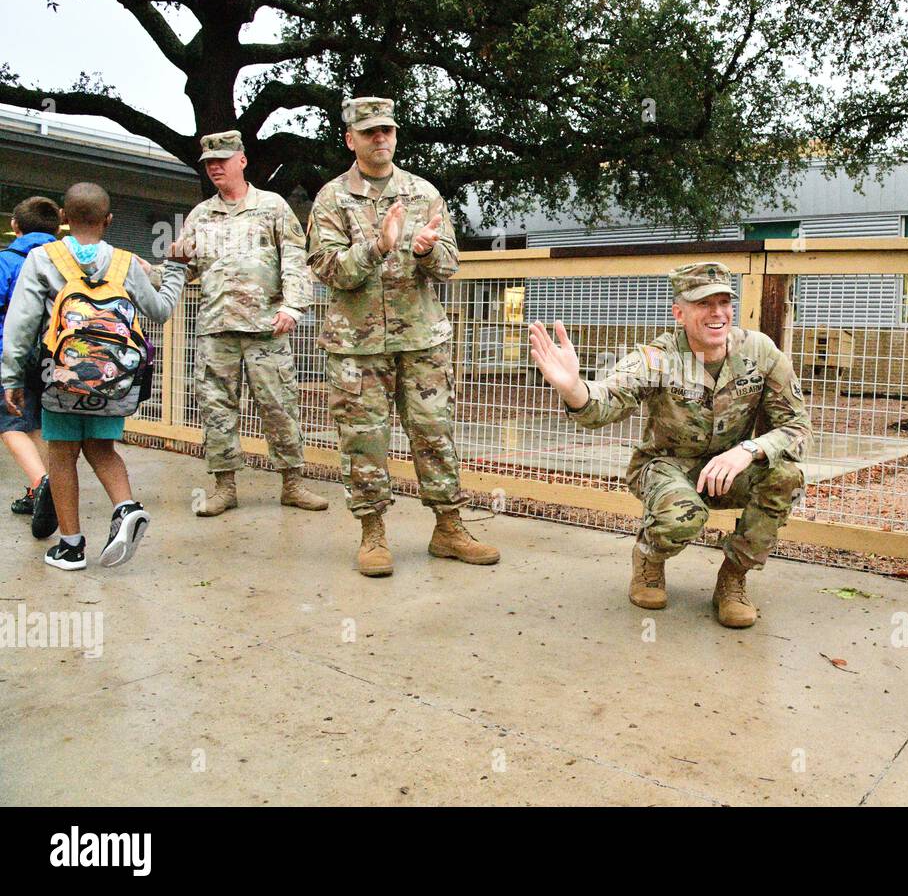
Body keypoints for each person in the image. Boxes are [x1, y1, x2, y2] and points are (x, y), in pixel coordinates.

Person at [528, 262, 809, 628]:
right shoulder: (658, 358)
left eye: (724, 302)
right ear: (679, 313)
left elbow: (797, 426)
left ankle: (733, 578)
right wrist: (573, 389)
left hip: (730, 470)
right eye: (703, 303)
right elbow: (607, 401)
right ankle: (650, 557)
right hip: (666, 468)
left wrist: (747, 450)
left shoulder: (760, 352)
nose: (717, 313)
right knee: (683, 518)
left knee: (786, 476)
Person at [306, 97, 498, 577]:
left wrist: (425, 252)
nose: (380, 138)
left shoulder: (424, 193)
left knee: (435, 433)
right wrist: (378, 246)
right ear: (350, 139)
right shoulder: (332, 198)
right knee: (363, 439)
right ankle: (373, 532)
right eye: (369, 132)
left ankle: (449, 527)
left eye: (387, 130)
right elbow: (330, 270)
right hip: (357, 346)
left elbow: (450, 265)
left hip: (421, 340)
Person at [1, 183, 186, 570]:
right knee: (102, 449)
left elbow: (20, 324)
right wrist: (178, 271)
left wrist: (11, 378)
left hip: (60, 378)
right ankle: (126, 506)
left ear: (64, 219)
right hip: (113, 378)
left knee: (63, 455)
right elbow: (161, 310)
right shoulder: (125, 262)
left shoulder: (42, 258)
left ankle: (70, 546)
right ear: (109, 220)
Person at [171, 130, 328, 516]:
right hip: (216, 327)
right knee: (215, 408)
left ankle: (293, 482)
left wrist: (294, 307)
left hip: (266, 327)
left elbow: (294, 258)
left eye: (222, 161)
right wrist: (165, 267)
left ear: (241, 160)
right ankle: (225, 486)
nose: (214, 168)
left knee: (279, 405)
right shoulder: (201, 215)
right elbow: (185, 268)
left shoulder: (272, 206)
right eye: (208, 163)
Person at [0, 196, 57, 536]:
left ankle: (42, 486)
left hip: (13, 353)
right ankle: (51, 488)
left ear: (15, 226)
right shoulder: (64, 261)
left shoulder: (7, 260)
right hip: (56, 355)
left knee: (10, 424)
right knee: (38, 425)